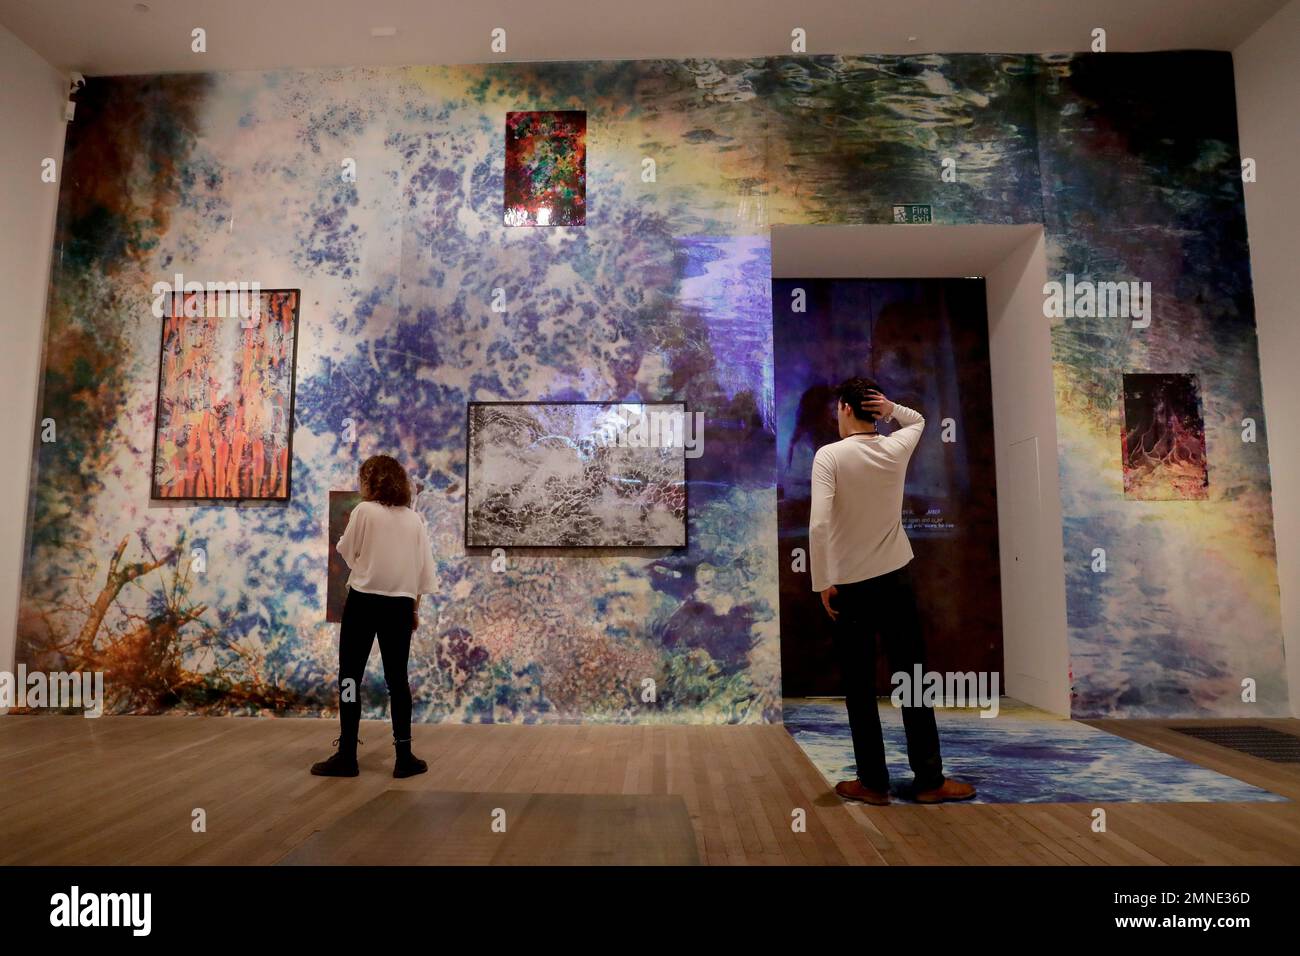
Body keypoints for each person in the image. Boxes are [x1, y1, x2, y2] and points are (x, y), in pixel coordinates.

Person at [809, 377, 976, 806]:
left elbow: (819, 525)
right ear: (874, 408)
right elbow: (917, 418)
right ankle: (929, 781)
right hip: (897, 579)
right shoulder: (896, 446)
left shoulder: (829, 456)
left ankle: (873, 783)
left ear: (845, 407)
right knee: (913, 680)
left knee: (860, 687)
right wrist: (891, 409)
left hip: (851, 587)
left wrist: (822, 581)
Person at [312, 454, 437, 779]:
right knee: (398, 680)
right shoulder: (414, 519)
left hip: (364, 603)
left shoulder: (364, 511)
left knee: (351, 677)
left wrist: (367, 561)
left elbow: (346, 549)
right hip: (400, 606)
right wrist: (413, 610)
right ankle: (404, 755)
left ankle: (348, 754)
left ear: (371, 480)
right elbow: (422, 573)